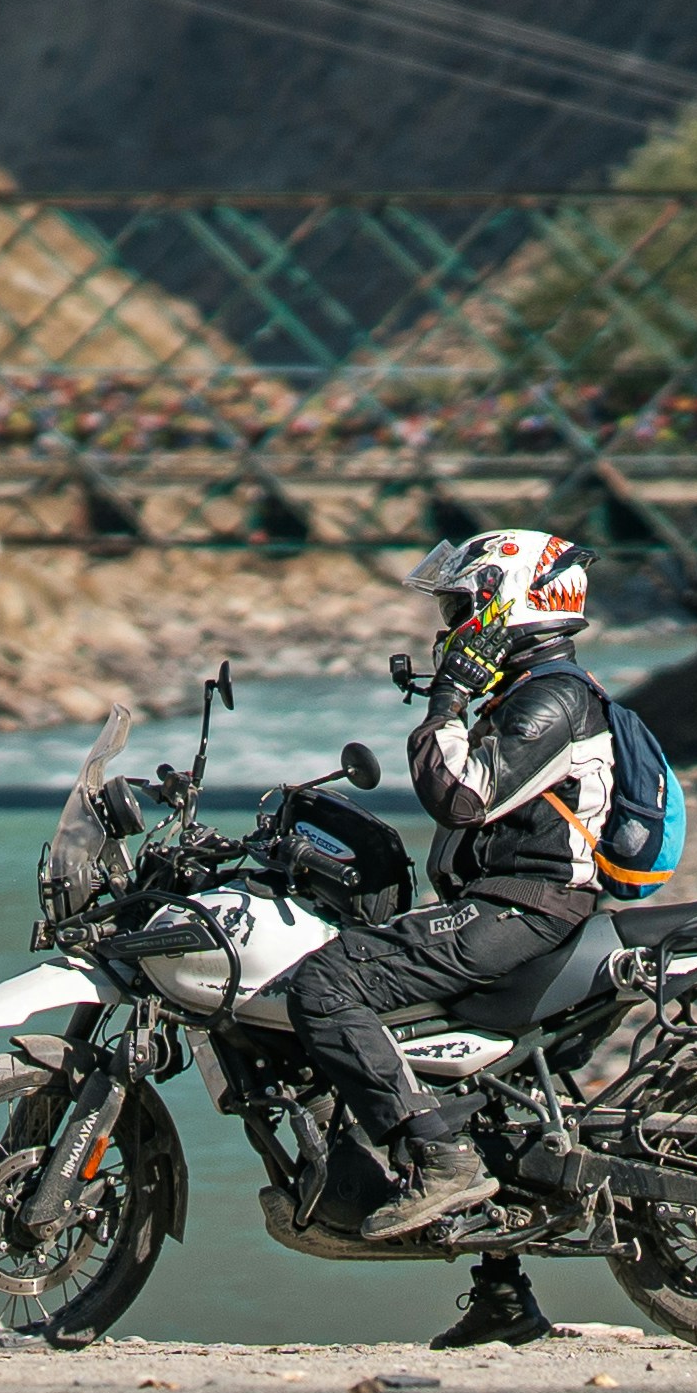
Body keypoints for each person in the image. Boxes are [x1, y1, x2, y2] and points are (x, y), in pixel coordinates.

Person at [271, 528, 616, 1288]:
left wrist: (449, 697)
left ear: (508, 604)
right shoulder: (530, 691)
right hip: (505, 902)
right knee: (469, 1083)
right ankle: (501, 1293)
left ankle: (437, 1157)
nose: (450, 623)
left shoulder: (553, 698)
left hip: (525, 907)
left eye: (462, 605)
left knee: (326, 983)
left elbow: (459, 796)